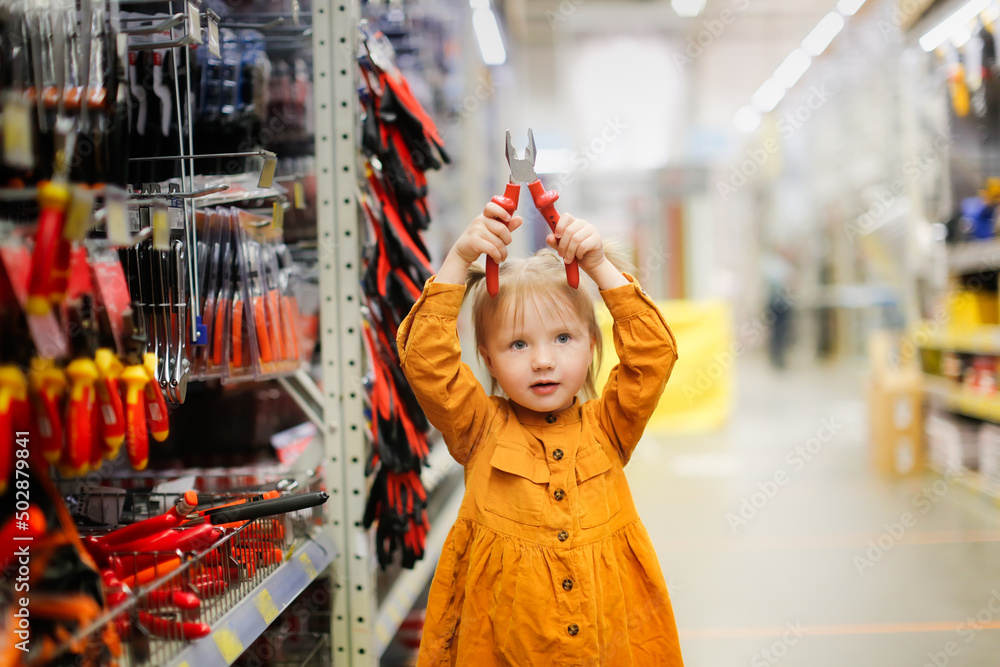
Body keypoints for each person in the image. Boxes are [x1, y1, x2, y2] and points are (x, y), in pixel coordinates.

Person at [396, 201, 684, 666]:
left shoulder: (610, 427)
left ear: (593, 345)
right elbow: (427, 362)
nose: (543, 361)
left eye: (563, 339)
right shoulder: (478, 427)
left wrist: (598, 266)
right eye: (517, 344)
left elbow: (653, 356)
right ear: (487, 359)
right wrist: (459, 259)